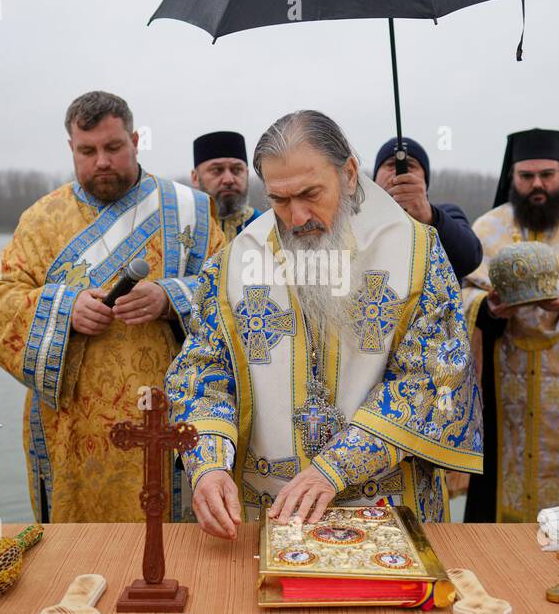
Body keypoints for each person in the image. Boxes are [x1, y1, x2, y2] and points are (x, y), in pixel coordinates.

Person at [166, 111, 482, 538]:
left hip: (386, 509)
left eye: (310, 193)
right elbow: (201, 371)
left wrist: (335, 467)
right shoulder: (234, 264)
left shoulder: (415, 255)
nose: (297, 218)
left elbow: (434, 378)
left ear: (349, 173)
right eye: (279, 199)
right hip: (265, 513)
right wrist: (208, 463)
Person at [0, 91, 224, 522]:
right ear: (71, 148)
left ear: (134, 140)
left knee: (172, 544)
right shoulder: (41, 220)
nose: (101, 162)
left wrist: (170, 298)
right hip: (71, 429)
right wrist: (64, 308)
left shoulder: (191, 211)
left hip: (170, 414)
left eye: (113, 148)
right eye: (87, 150)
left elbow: (230, 292)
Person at [462, 129, 559, 522]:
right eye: (526, 176)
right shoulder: (486, 229)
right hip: (503, 388)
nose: (537, 184)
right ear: (512, 178)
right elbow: (460, 294)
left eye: (547, 174)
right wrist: (488, 309)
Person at [372, 136, 482, 280]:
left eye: (410, 165)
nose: (399, 172)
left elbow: (469, 260)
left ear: (425, 181)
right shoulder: (356, 219)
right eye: (390, 164)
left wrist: (430, 217)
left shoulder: (449, 213)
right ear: (374, 178)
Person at [191, 130, 259, 242]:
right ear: (195, 178)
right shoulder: (180, 230)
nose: (228, 180)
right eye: (217, 170)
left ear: (246, 174)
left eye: (237, 170)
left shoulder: (269, 227)